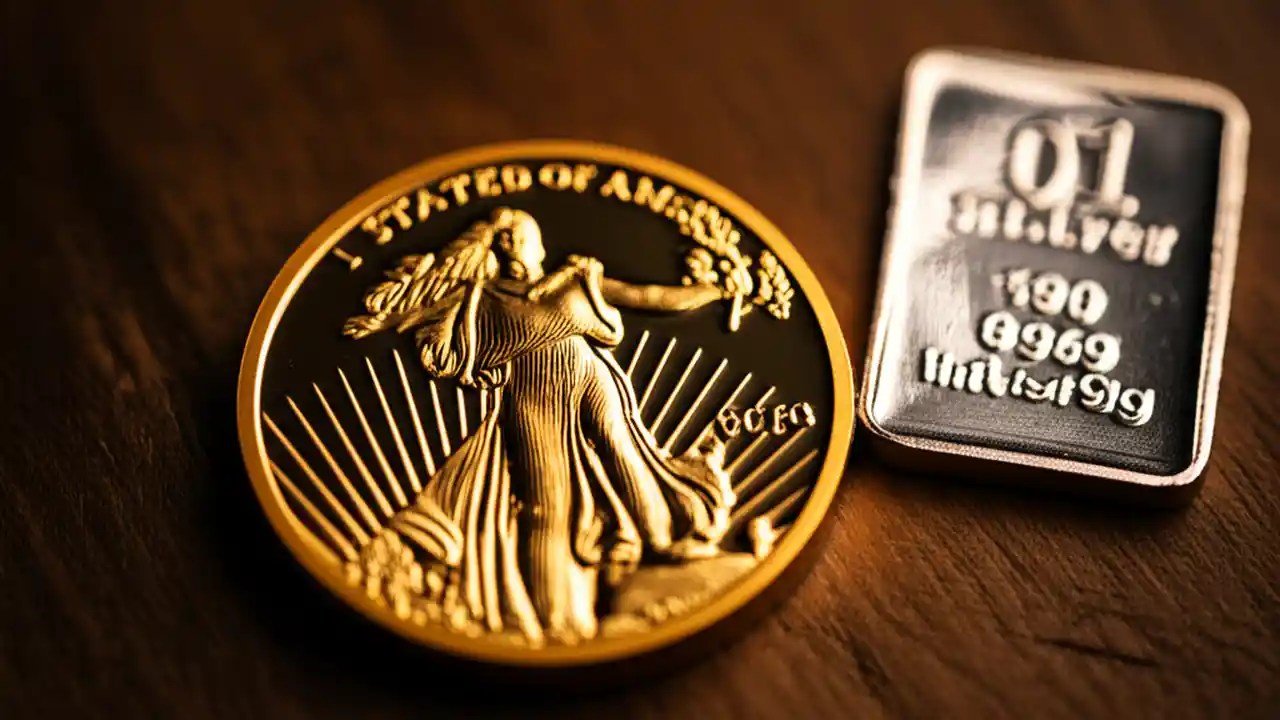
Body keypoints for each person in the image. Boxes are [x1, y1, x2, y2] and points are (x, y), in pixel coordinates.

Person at [343, 207, 740, 644]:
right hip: (535, 397)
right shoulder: (479, 299)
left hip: (592, 377)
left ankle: (662, 545)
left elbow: (648, 298)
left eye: (534, 240)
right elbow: (420, 326)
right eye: (529, 239)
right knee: (547, 505)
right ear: (509, 244)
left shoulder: (577, 280)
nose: (538, 247)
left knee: (626, 456)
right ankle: (555, 618)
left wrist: (713, 290)